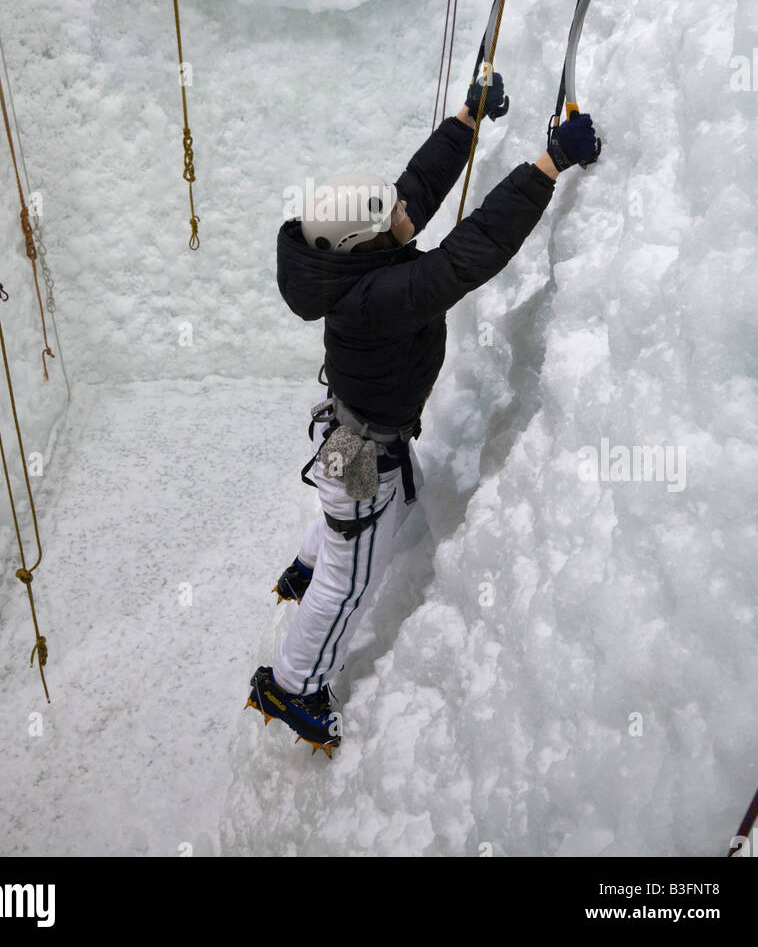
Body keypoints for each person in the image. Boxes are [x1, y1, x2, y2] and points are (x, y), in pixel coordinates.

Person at [246, 72, 599, 754]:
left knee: (343, 532)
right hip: (362, 452)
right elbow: (467, 256)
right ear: (374, 243)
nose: (406, 209)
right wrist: (548, 165)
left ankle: (304, 565)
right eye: (394, 216)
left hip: (353, 432)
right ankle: (292, 687)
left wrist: (468, 120)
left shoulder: (357, 258)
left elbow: (415, 187)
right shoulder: (380, 297)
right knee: (349, 585)